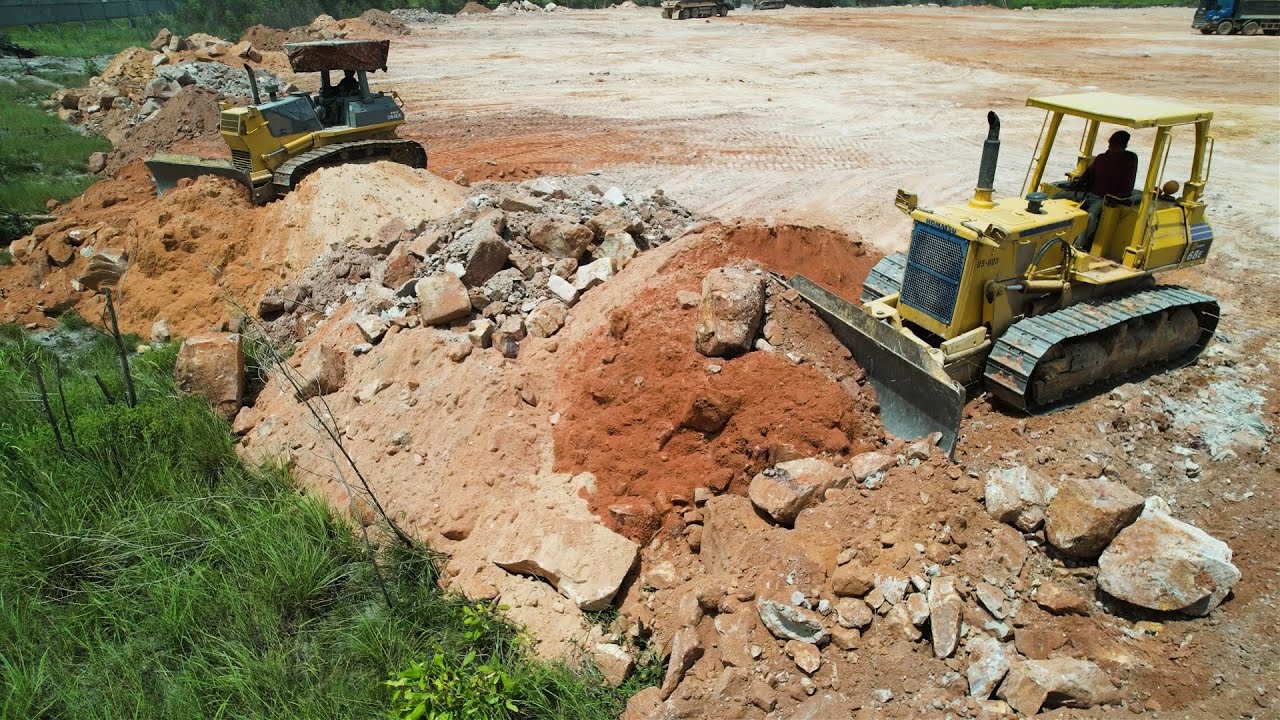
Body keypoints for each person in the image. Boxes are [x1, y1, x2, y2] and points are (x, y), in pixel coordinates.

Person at [1062, 130, 1139, 247]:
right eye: (1111, 145)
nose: (1112, 149)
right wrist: (1076, 184)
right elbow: (1087, 175)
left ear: (1124, 147)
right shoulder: (1101, 158)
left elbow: (1127, 187)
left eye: (1116, 146)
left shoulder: (1128, 164)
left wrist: (1118, 197)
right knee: (1057, 197)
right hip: (1088, 193)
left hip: (1104, 198)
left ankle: (1078, 245)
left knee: (1091, 214)